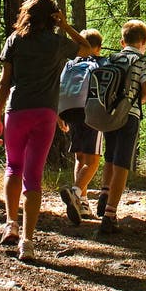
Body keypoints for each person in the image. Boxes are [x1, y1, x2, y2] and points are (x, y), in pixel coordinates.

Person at [0, 0, 92, 261]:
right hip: (45, 114)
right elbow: (86, 48)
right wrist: (66, 26)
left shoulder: (15, 40)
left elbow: (4, 82)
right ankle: (28, 242)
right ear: (52, 17)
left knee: (14, 167)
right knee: (33, 177)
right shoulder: (58, 43)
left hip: (17, 110)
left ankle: (11, 223)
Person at [96, 19, 146, 235]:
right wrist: (134, 103)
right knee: (122, 163)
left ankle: (104, 193)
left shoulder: (112, 58)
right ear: (144, 41)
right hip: (129, 115)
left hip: (109, 114)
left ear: (122, 41)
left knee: (110, 157)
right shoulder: (145, 60)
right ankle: (110, 215)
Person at [58, 28, 105, 225]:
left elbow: (59, 86)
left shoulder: (70, 64)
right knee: (93, 160)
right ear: (98, 48)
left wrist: (59, 114)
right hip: (89, 109)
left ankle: (82, 204)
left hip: (68, 109)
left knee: (80, 156)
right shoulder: (99, 62)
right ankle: (76, 193)